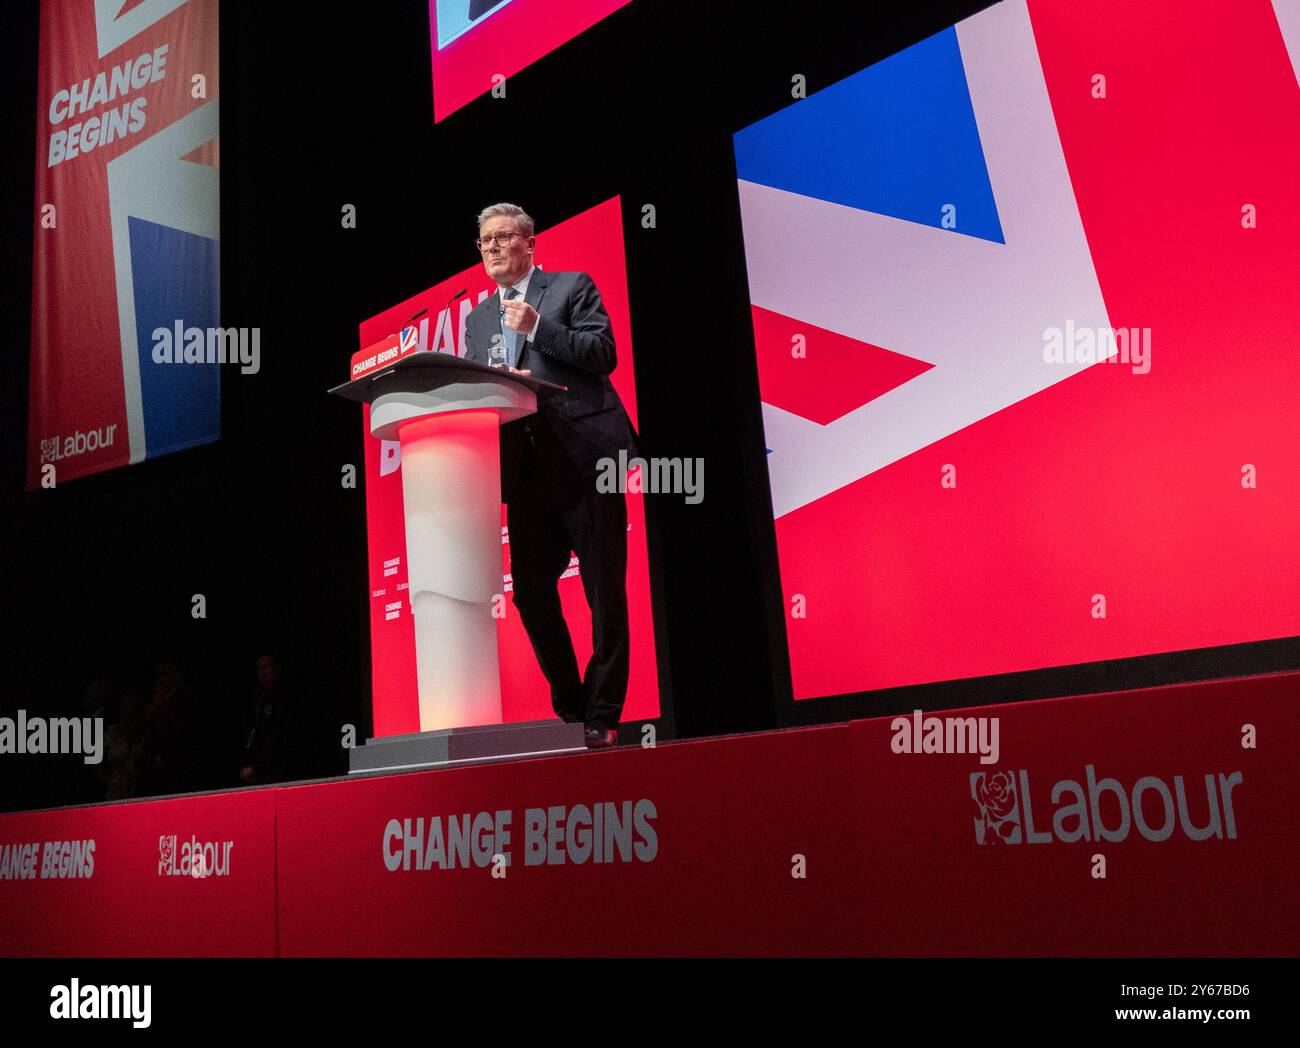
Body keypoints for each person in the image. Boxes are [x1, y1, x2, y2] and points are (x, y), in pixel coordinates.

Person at [461, 202, 640, 749]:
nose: (490, 247)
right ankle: (572, 709)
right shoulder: (478, 319)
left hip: (586, 459)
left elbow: (602, 353)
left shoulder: (569, 288)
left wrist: (539, 328)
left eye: (500, 237)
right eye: (483, 241)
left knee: (603, 590)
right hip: (528, 469)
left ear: (528, 241)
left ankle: (604, 714)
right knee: (532, 595)